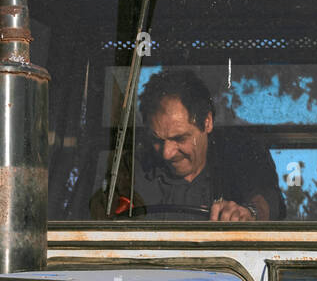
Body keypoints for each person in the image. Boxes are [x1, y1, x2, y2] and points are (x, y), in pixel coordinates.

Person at [95, 70, 285, 221]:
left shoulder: (242, 154)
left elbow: (267, 200)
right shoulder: (130, 167)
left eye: (179, 138)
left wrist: (249, 213)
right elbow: (96, 212)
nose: (167, 154)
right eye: (157, 140)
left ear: (207, 122)